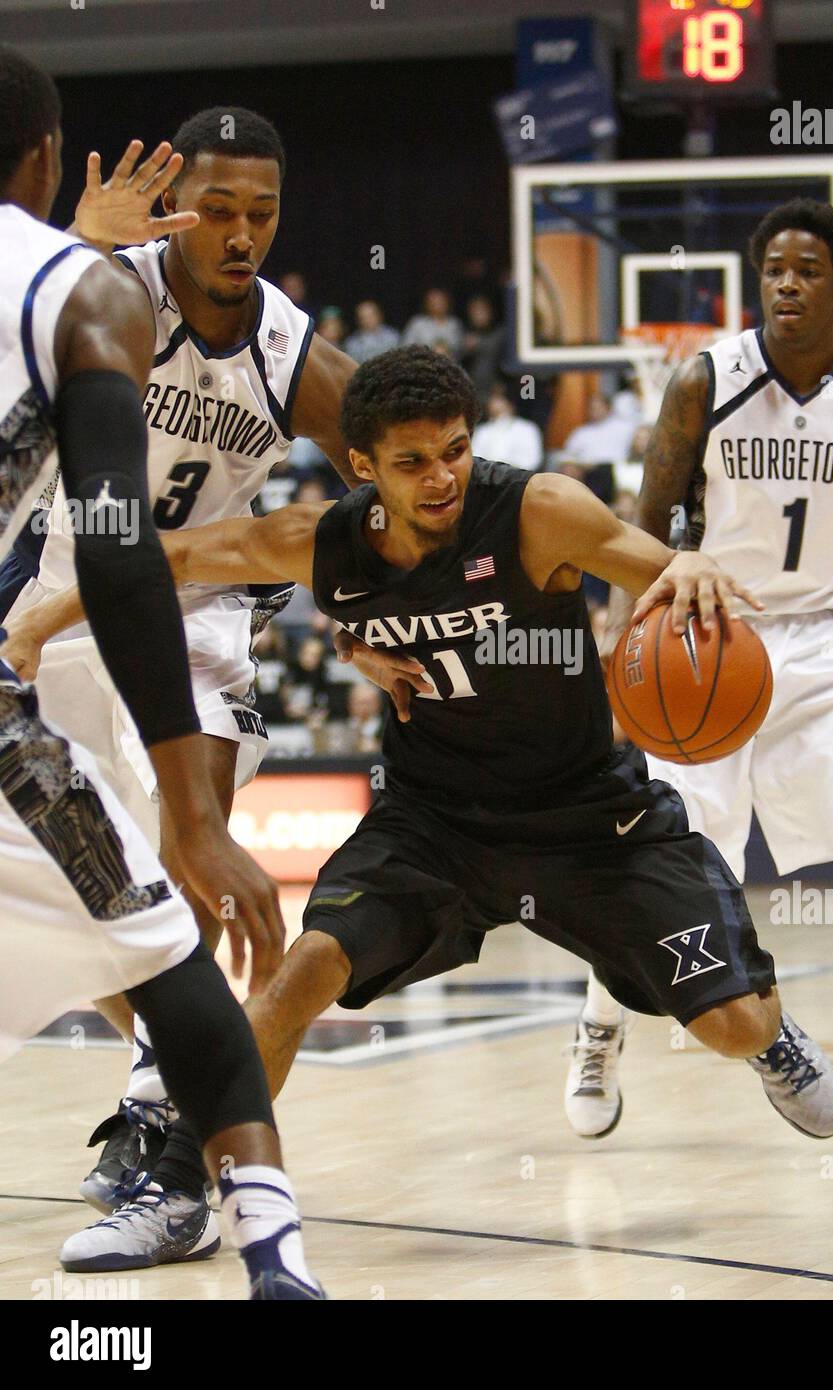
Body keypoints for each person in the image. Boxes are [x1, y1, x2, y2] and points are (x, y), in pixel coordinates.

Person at [4, 347, 833, 1267]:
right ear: (361, 466)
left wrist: (687, 572)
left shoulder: (537, 511)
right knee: (294, 980)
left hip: (586, 819)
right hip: (432, 823)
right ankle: (179, 1189)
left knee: (733, 1029)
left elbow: (659, 568)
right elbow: (164, 556)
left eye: (454, 450)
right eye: (412, 462)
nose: (442, 477)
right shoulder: (322, 542)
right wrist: (42, 617)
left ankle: (772, 1032)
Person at [0, 46, 320, 1297]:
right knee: (137, 927)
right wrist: (69, 236)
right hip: (56, 616)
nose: (240, 234)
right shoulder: (93, 285)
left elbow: (390, 470)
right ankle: (187, 1147)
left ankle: (175, 1164)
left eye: (264, 214)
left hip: (184, 627)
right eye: (219, 207)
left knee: (163, 909)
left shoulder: (289, 350)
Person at [577, 198, 833, 1163]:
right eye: (774, 271)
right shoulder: (703, 382)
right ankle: (600, 1031)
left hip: (819, 646)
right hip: (706, 636)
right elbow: (640, 529)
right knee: (656, 865)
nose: (788, 285)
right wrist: (616, 646)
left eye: (808, 271)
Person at [471, 383, 542, 472]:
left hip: (519, 479)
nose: (492, 402)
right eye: (492, 398)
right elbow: (474, 458)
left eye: (498, 398)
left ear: (510, 402)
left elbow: (532, 461)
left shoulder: (527, 428)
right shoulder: (482, 430)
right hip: (486, 480)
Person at [402, 287, 464, 356]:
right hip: (422, 363)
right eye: (433, 300)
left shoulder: (455, 323)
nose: (437, 303)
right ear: (427, 302)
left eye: (440, 300)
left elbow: (461, 348)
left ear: (447, 302)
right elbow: (406, 347)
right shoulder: (417, 323)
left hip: (450, 363)